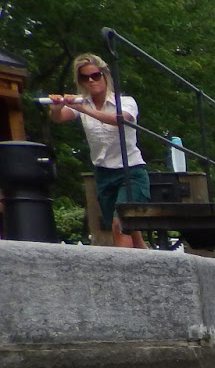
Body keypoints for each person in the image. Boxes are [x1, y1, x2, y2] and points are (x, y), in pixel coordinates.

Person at [47, 53, 147, 248]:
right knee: (128, 229)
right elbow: (59, 117)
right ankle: (156, 264)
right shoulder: (82, 102)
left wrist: (84, 109)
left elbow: (120, 119)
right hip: (104, 173)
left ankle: (125, 273)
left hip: (130, 170)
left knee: (121, 224)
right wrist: (56, 107)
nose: (91, 81)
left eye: (95, 75)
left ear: (105, 75)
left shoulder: (125, 101)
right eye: (85, 77)